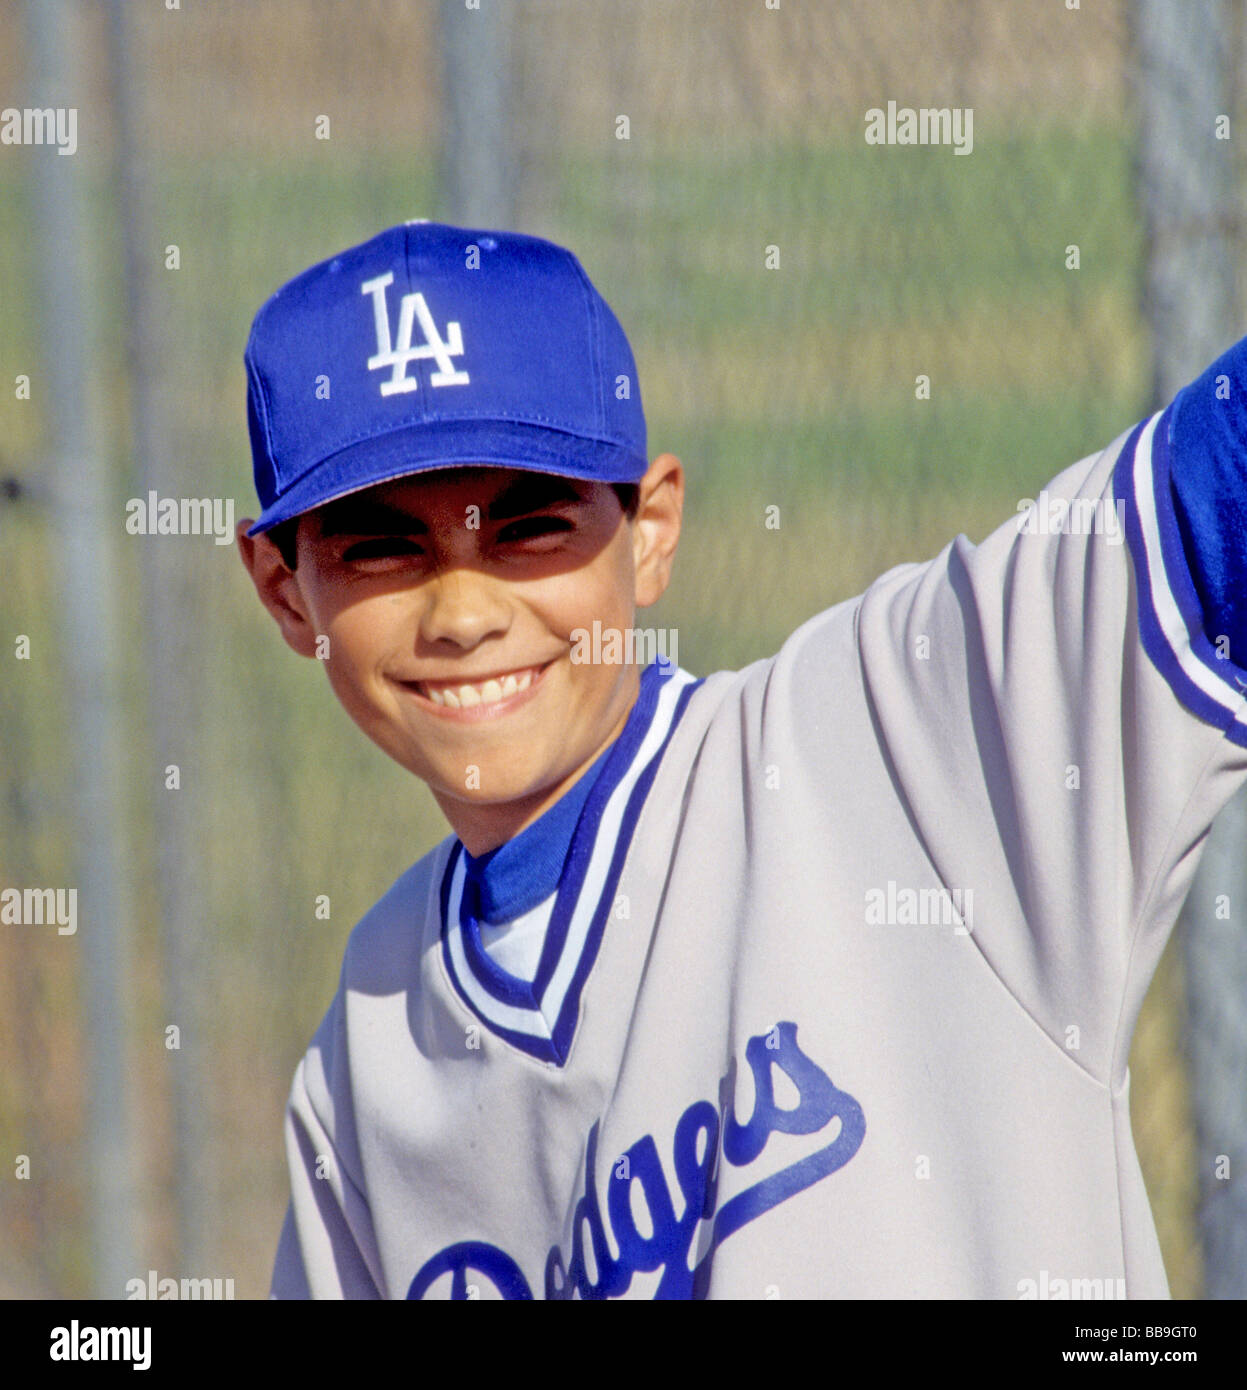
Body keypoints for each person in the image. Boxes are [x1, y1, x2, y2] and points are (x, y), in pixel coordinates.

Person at [237, 219, 1247, 1299]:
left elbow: (1207, 498)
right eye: (380, 546)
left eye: (529, 526)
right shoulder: (370, 1036)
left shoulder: (897, 738)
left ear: (652, 528)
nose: (464, 613)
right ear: (285, 589)